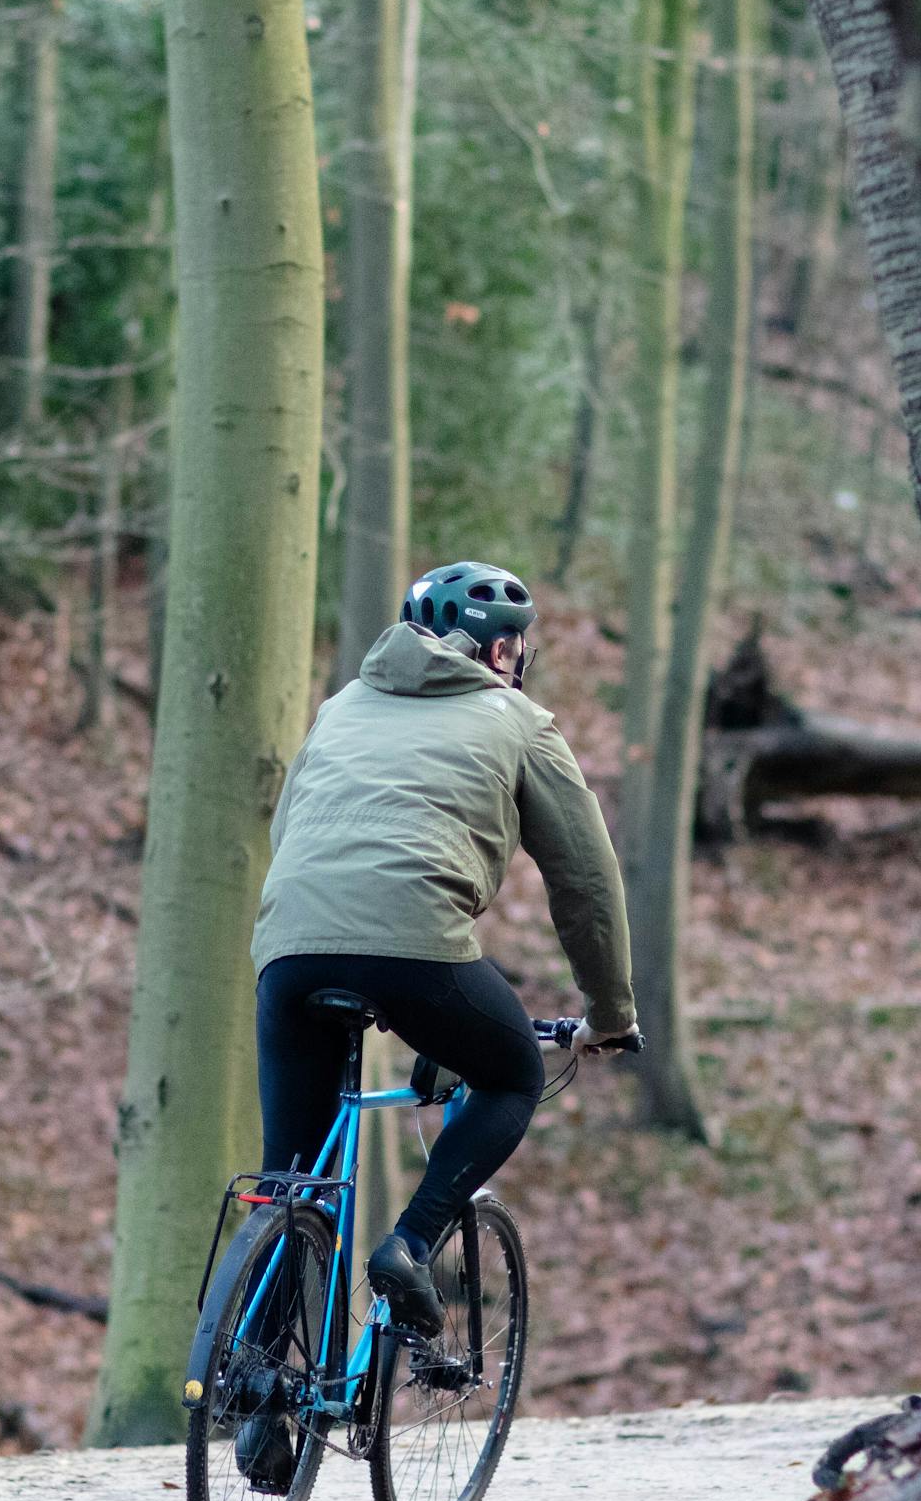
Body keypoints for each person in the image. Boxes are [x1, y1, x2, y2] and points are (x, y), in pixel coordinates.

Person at [249, 560, 641, 1358]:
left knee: (290, 1180)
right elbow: (586, 881)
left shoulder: (340, 706)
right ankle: (410, 1244)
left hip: (288, 949)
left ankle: (251, 1385)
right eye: (519, 646)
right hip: (418, 948)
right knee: (511, 1075)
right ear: (500, 652)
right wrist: (610, 1013)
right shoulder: (518, 720)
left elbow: (288, 831)